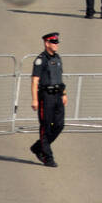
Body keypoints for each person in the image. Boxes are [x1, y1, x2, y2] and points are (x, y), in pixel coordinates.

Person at [30, 32, 67, 167]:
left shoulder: (57, 58)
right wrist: (34, 99)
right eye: (53, 42)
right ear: (47, 43)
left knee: (59, 125)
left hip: (57, 95)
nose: (56, 45)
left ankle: (37, 147)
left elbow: (59, 78)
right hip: (46, 97)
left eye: (57, 42)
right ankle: (47, 157)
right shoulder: (41, 60)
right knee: (45, 127)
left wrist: (64, 93)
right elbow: (35, 81)